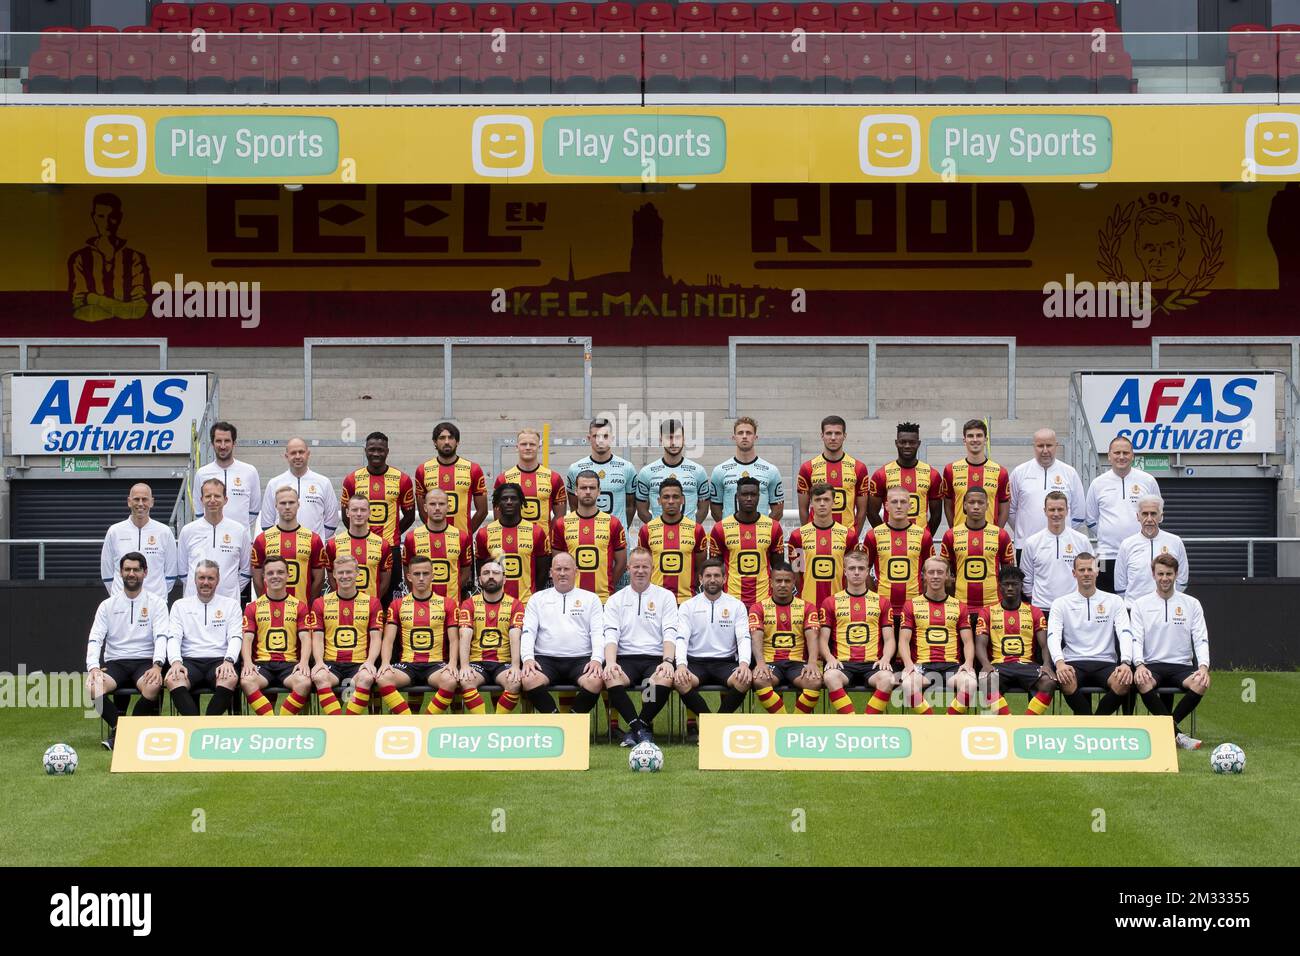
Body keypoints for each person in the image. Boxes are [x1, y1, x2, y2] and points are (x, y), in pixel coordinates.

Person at [85, 552, 170, 750]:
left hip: (145, 662)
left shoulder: (156, 603)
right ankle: (125, 731)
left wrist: (157, 666)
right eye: (127, 570)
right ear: (121, 573)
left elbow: (161, 637)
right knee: (92, 687)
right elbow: (95, 637)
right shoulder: (107, 605)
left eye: (136, 570)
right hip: (116, 662)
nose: (131, 574)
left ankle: (121, 736)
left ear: (145, 573)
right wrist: (93, 667)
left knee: (153, 686)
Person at [1130, 554, 1211, 750]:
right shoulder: (1141, 604)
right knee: (1141, 680)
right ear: (1153, 575)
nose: (1164, 578)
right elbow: (1135, 639)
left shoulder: (1192, 604)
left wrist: (1203, 667)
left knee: (1202, 682)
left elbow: (1201, 638)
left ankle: (1166, 730)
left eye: (1168, 574)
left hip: (1182, 666)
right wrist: (1139, 665)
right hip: (1152, 665)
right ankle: (1177, 735)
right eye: (1160, 574)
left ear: (1176, 574)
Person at [601, 549, 680, 746]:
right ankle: (640, 729)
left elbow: (670, 632)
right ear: (628, 568)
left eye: (645, 566)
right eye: (636, 566)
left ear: (653, 569)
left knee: (656, 682)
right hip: (626, 659)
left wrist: (668, 661)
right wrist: (610, 662)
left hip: (654, 658)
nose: (640, 571)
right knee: (610, 675)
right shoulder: (615, 600)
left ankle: (637, 728)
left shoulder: (665, 597)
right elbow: (610, 634)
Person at [1047, 552, 1136, 716]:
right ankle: (1092, 724)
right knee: (1066, 680)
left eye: (1090, 569)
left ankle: (1094, 723)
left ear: (1097, 571)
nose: (1086, 573)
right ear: (1074, 573)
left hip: (1105, 661)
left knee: (1123, 682)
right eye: (1081, 570)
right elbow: (1053, 635)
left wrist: (1125, 662)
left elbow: (1125, 632)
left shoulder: (1114, 601)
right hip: (1074, 660)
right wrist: (1059, 663)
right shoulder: (1060, 603)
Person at [519, 553, 605, 714]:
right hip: (546, 659)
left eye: (567, 569)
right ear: (551, 572)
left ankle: (571, 722)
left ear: (576, 571)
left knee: (595, 681)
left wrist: (597, 660)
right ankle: (557, 719)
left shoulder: (591, 599)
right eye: (558, 569)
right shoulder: (537, 599)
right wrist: (528, 658)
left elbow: (598, 633)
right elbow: (528, 632)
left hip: (581, 659)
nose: (562, 573)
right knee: (529, 679)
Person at [375, 555, 461, 715]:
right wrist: (385, 662)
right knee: (383, 678)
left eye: (426, 573)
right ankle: (410, 720)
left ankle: (426, 722)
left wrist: (452, 663)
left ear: (433, 576)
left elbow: (454, 639)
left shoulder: (448, 603)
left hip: (436, 664)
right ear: (409, 576)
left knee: (450, 680)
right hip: (408, 665)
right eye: (416, 574)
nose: (421, 578)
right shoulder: (398, 604)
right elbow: (388, 640)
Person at [673, 558, 753, 724]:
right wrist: (681, 665)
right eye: (708, 575)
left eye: (717, 575)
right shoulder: (688, 606)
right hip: (696, 662)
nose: (712, 579)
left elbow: (743, 637)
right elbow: (681, 638)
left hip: (725, 662)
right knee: (680, 680)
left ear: (724, 579)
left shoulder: (736, 606)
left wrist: (744, 664)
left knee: (744, 679)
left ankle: (715, 725)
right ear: (700, 579)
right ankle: (714, 725)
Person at [340, 431, 416, 602]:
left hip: (391, 548)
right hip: (360, 546)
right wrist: (362, 535)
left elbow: (409, 515)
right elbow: (347, 516)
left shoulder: (402, 479)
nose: (376, 453)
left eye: (380, 450)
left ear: (387, 451)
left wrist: (393, 533)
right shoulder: (352, 480)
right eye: (372, 449)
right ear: (365, 451)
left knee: (390, 600)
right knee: (358, 594)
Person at [897, 556, 978, 715]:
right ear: (924, 575)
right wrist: (908, 664)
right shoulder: (911, 605)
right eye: (931, 572)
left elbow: (968, 642)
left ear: (947, 575)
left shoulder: (959, 606)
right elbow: (903, 641)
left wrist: (968, 663)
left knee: (971, 684)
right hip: (922, 666)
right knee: (908, 685)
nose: (935, 576)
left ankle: (946, 723)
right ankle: (932, 723)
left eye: (940, 572)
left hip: (952, 665)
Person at [820, 550, 897, 716]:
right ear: (845, 571)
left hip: (872, 663)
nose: (856, 572)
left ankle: (866, 723)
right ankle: (852, 722)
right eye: (852, 568)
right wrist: (829, 658)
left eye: (861, 568)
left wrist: (885, 658)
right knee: (830, 677)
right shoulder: (830, 602)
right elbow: (822, 639)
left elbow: (890, 639)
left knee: (888, 678)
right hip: (842, 663)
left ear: (867, 571)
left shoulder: (882, 602)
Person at [974, 566, 1057, 716]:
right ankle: (1009, 722)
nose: (1010, 588)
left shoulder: (1035, 612)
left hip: (1027, 665)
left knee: (1049, 681)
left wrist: (1046, 664)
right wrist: (986, 665)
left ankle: (1025, 723)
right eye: (1006, 584)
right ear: (999, 586)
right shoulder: (987, 612)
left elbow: (1044, 645)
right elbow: (980, 643)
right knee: (985, 680)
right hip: (999, 665)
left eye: (1015, 584)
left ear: (1021, 586)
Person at [239, 556, 315, 717]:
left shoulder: (299, 606)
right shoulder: (253, 607)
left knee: (304, 682)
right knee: (247, 680)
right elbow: (247, 639)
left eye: (280, 572)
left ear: (288, 575)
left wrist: (303, 662)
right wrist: (247, 662)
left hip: (289, 664)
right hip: (262, 664)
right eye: (270, 573)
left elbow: (306, 638)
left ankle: (281, 722)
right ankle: (271, 722)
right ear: (264, 577)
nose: (275, 576)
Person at [164, 559, 242, 716]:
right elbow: (173, 637)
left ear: (218, 580)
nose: (205, 582)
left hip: (220, 659)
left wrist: (229, 661)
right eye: (201, 578)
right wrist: (175, 662)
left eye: (210, 578)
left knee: (229, 678)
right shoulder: (180, 605)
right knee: (173, 678)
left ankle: (207, 726)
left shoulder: (231, 605)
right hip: (189, 660)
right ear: (194, 579)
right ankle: (196, 727)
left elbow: (235, 636)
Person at [309, 553, 384, 716]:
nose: (344, 576)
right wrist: (319, 662)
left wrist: (370, 662)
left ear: (358, 573)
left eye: (349, 572)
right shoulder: (320, 603)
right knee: (320, 677)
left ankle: (348, 724)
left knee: (366, 678)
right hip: (331, 663)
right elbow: (317, 638)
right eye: (340, 572)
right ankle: (339, 725)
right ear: (334, 574)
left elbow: (376, 638)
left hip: (359, 663)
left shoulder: (372, 602)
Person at [1085, 436, 1162, 592]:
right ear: (1109, 455)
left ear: (1132, 455)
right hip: (1106, 554)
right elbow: (1091, 519)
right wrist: (1108, 533)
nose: (1121, 457)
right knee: (1106, 602)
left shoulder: (1148, 481)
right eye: (1117, 452)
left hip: (1140, 552)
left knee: (1140, 599)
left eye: (1125, 453)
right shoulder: (1098, 483)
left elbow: (1156, 513)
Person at [748, 561, 822, 715]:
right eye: (778, 580)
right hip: (771, 663)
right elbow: (756, 637)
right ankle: (783, 721)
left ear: (794, 582)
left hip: (797, 662)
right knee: (760, 679)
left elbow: (812, 637)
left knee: (814, 680)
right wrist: (760, 663)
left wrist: (813, 663)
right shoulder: (758, 607)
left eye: (787, 581)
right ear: (771, 582)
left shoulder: (807, 607)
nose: (783, 585)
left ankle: (796, 722)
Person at [457, 561, 525, 716]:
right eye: (486, 573)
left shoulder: (515, 604)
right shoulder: (469, 604)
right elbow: (464, 635)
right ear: (480, 579)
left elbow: (516, 636)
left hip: (503, 663)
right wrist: (465, 666)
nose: (491, 577)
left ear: (504, 578)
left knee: (514, 682)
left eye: (496, 573)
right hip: (477, 662)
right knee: (466, 680)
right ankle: (484, 724)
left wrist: (515, 666)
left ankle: (496, 723)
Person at [69, 192, 150, 322]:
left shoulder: (134, 257)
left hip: (128, 332)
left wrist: (94, 299)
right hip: (91, 333)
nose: (106, 222)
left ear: (119, 218)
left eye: (111, 217)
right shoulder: (79, 258)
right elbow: (79, 310)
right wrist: (123, 310)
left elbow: (140, 308)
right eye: (101, 216)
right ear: (93, 217)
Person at [939, 486, 1015, 618]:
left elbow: (1009, 573)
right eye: (971, 502)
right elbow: (946, 573)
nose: (976, 506)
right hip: (960, 605)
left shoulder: (1001, 535)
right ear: (964, 505)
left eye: (980, 503)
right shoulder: (951, 535)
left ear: (987, 506)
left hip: (993, 606)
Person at [552, 470, 628, 601]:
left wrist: (608, 585)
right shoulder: (561, 524)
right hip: (571, 599)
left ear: (599, 491)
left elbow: (621, 563)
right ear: (576, 491)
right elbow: (557, 564)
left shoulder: (613, 523)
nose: (587, 491)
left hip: (603, 599)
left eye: (592, 488)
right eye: (583, 488)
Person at [709, 476, 784, 605]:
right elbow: (715, 568)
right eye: (744, 494)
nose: (749, 498)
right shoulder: (720, 528)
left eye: (753, 494)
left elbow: (777, 567)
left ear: (759, 497)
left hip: (764, 599)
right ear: (737, 496)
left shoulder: (773, 527)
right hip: (731, 599)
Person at [101, 482, 178, 602]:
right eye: (136, 499)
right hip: (121, 603)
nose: (140, 503)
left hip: (155, 605)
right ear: (129, 501)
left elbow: (171, 574)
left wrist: (155, 597)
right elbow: (107, 573)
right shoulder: (114, 531)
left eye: (145, 499)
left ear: (152, 502)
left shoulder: (164, 532)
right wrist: (121, 595)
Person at [475, 483, 551, 604]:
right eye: (504, 499)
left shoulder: (536, 532)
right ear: (497, 504)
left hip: (527, 604)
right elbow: (481, 568)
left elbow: (543, 571)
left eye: (514, 498)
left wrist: (533, 596)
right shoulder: (484, 533)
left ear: (521, 502)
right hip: (496, 603)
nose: (509, 502)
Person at [177, 478, 251, 602]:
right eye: (208, 496)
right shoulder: (188, 530)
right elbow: (183, 572)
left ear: (225, 499)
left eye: (217, 496)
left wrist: (230, 588)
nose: (212, 500)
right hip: (194, 603)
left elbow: (246, 569)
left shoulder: (239, 531)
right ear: (201, 500)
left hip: (228, 603)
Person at [1007, 428, 1085, 544]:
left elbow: (1078, 513)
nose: (1045, 450)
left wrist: (1059, 532)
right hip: (1025, 544)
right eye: (1040, 446)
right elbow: (1010, 510)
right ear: (1034, 446)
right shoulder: (1019, 472)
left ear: (1056, 445)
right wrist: (1023, 532)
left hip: (1061, 544)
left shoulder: (1070, 473)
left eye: (1049, 445)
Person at [1020, 490, 1092, 616]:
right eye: (1052, 510)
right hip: (1042, 609)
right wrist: (1036, 602)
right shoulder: (1031, 543)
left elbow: (1094, 571)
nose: (1056, 514)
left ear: (1067, 511)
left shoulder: (1082, 541)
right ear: (1045, 511)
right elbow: (1026, 580)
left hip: (1073, 608)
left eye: (1060, 509)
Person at [789, 481, 859, 609]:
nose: (822, 504)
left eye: (826, 499)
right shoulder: (797, 536)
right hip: (808, 605)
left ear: (833, 502)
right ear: (811, 503)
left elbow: (851, 571)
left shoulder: (849, 536)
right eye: (817, 500)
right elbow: (797, 573)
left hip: (840, 606)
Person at [252, 486, 326, 605]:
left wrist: (309, 604)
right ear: (276, 505)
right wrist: (264, 603)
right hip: (269, 610)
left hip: (302, 610)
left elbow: (319, 579)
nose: (287, 507)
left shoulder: (313, 539)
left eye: (291, 502)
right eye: (282, 503)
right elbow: (257, 578)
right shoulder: (262, 539)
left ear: (298, 504)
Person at [414, 421, 488, 538]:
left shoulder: (473, 469)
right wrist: (435, 531)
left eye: (451, 438)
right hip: (433, 539)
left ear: (457, 441)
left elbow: (482, 511)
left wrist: (465, 535)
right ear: (435, 442)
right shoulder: (422, 470)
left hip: (463, 542)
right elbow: (423, 510)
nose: (447, 442)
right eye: (442, 438)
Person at [866, 422, 943, 533]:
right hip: (890, 541)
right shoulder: (882, 474)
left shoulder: (932, 475)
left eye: (912, 442)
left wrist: (925, 537)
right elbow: (872, 512)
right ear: (896, 443)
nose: (907, 446)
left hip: (919, 540)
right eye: (903, 442)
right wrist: (885, 534)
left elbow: (936, 515)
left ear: (919, 444)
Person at [639, 477, 707, 602]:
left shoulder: (696, 529)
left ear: (682, 500)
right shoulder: (647, 530)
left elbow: (700, 567)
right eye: (666, 497)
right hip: (655, 600)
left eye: (675, 497)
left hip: (686, 600)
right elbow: (642, 566)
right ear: (659, 501)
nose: (671, 501)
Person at [797, 415, 871, 527]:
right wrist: (808, 533)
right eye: (828, 433)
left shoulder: (858, 468)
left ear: (844, 436)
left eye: (837, 433)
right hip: (816, 536)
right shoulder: (808, 468)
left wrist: (854, 536)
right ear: (822, 436)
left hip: (847, 536)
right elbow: (803, 509)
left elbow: (862, 511)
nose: (833, 437)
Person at [567, 417, 638, 530]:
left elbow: (631, 507)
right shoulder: (575, 469)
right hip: (588, 533)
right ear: (589, 438)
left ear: (612, 438)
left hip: (617, 538)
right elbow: (574, 506)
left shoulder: (627, 468)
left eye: (605, 436)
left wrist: (621, 529)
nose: (600, 440)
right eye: (596, 436)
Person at [635, 419, 711, 523]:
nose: (674, 442)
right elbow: (641, 511)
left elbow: (703, 509)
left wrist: (692, 528)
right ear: (661, 439)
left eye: (677, 437)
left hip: (688, 536)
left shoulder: (698, 471)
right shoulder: (647, 472)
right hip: (659, 536)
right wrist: (656, 526)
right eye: (669, 438)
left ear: (684, 439)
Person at [259, 437, 338, 539]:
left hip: (313, 550)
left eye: (301, 452)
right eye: (293, 453)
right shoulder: (274, 483)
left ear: (308, 454)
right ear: (286, 456)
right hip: (281, 549)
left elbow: (332, 521)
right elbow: (267, 522)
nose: (297, 456)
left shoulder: (323, 482)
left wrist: (315, 541)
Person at [1115, 496, 1189, 602]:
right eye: (1145, 514)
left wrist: (1168, 599)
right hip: (1134, 609)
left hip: (1165, 608)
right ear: (1137, 516)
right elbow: (1120, 585)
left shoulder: (1175, 542)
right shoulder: (1127, 544)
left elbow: (1182, 580)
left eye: (1153, 514)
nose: (1149, 519)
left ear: (1161, 517)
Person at [403, 488, 472, 601]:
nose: (437, 508)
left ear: (449, 507)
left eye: (441, 504)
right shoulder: (412, 537)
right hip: (422, 604)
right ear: (425, 507)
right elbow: (407, 569)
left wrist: (453, 588)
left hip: (452, 604)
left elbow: (465, 572)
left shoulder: (461, 537)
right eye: (432, 504)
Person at [711, 416, 784, 522]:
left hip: (760, 535)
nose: (744, 436)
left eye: (748, 433)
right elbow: (715, 509)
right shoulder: (719, 471)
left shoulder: (771, 471)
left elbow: (778, 510)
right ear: (734, 437)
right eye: (740, 433)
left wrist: (763, 529)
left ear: (755, 437)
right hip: (730, 535)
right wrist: (728, 529)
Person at [191, 420, 261, 531]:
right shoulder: (202, 473)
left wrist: (238, 529)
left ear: (234, 443)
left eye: (227, 441)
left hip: (240, 539)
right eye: (218, 441)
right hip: (209, 537)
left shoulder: (249, 471)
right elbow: (199, 511)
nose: (223, 446)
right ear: (212, 444)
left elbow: (254, 510)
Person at [944, 419, 1010, 530]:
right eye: (970, 436)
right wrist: (954, 530)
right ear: (964, 440)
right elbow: (948, 505)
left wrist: (996, 533)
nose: (975, 439)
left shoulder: (1000, 472)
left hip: (990, 540)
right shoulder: (951, 470)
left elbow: (1004, 508)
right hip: (960, 538)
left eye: (979, 435)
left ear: (986, 440)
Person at [495, 427, 567, 527]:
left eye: (532, 444)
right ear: (517, 447)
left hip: (543, 541)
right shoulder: (503, 479)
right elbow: (498, 519)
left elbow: (560, 516)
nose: (528, 447)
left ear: (539, 446)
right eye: (524, 444)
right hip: (515, 541)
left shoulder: (554, 478)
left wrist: (549, 537)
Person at [327, 493, 393, 600]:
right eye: (354, 510)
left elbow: (385, 582)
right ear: (347, 512)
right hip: (341, 605)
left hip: (370, 609)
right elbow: (331, 577)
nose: (359, 514)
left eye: (363, 510)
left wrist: (372, 602)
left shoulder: (383, 545)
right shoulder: (333, 544)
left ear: (369, 513)